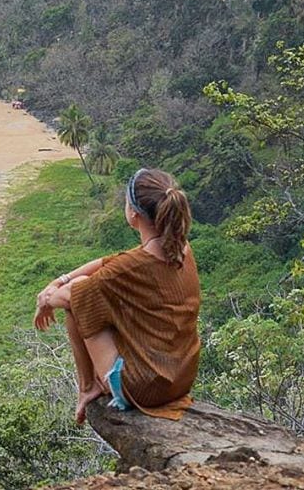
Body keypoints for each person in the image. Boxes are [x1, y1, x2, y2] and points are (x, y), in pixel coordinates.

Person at [34, 168, 200, 425]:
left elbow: (70, 297)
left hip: (145, 388)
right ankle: (93, 385)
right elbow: (110, 262)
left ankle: (88, 386)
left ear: (133, 214)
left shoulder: (131, 267)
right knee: (83, 288)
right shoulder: (180, 248)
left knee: (80, 297)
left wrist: (47, 299)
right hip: (181, 378)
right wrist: (59, 280)